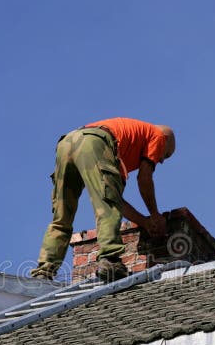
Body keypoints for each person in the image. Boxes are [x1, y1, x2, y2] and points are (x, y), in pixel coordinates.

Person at [30, 117, 176, 282]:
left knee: (62, 216)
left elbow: (117, 201)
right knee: (106, 207)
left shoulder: (122, 151)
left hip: (67, 144)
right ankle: (110, 260)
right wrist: (155, 214)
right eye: (166, 155)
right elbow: (144, 178)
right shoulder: (157, 135)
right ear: (165, 140)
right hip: (95, 142)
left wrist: (144, 222)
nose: (161, 161)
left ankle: (44, 271)